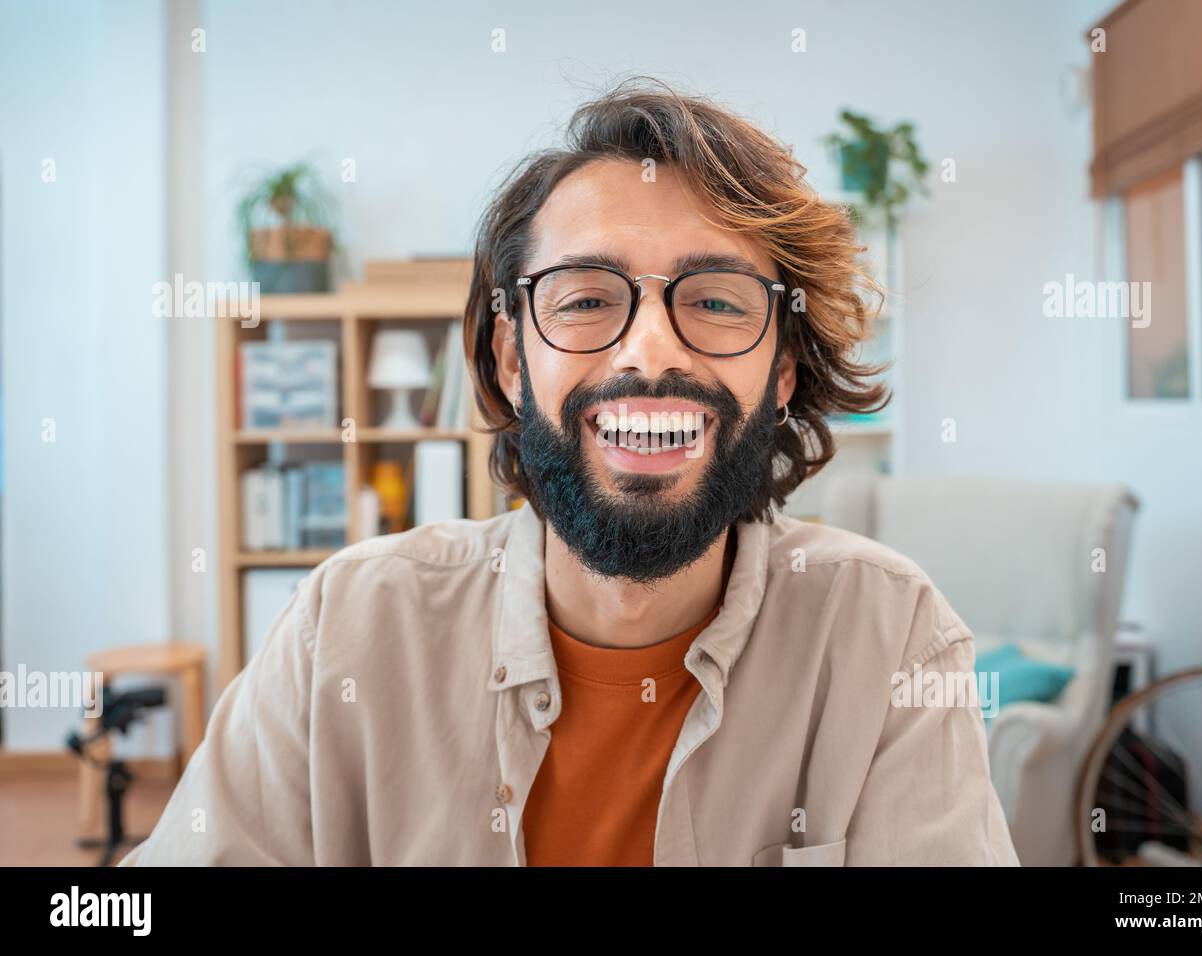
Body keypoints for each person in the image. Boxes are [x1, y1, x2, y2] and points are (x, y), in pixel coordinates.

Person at [122, 76, 1018, 866]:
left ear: (782, 369)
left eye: (715, 301)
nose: (648, 350)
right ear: (512, 360)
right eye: (587, 299)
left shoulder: (893, 637)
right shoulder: (344, 631)